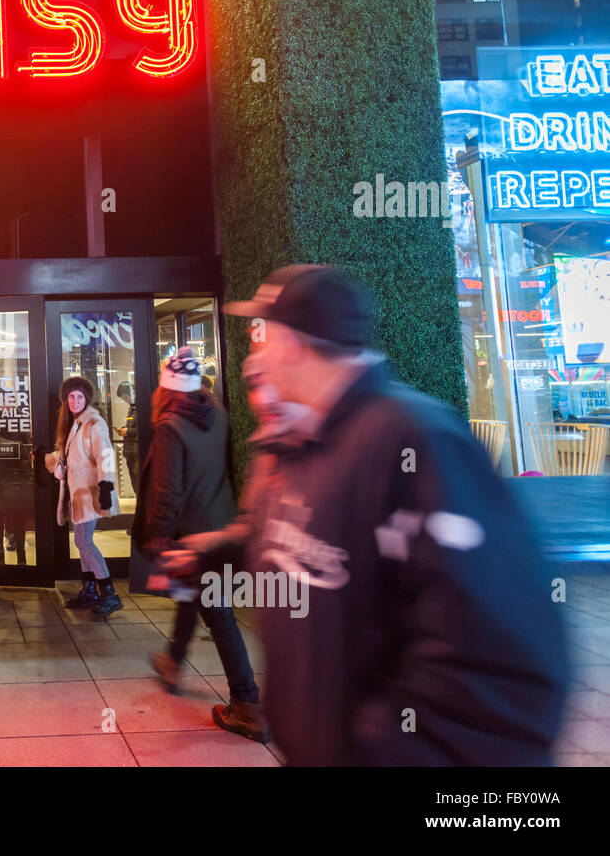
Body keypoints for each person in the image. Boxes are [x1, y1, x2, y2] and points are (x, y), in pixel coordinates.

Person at [163, 265, 570, 765]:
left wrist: (379, 747)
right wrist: (215, 552)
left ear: (292, 343)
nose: (256, 356)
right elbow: (292, 540)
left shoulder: (417, 441)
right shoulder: (288, 446)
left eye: (262, 338)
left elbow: (508, 657)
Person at [130, 347, 266, 742]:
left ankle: (247, 704)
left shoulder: (170, 427)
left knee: (218, 614)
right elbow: (221, 468)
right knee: (196, 599)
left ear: (167, 386)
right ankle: (173, 662)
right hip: (221, 525)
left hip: (193, 536)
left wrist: (159, 538)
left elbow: (167, 492)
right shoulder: (218, 414)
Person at [46, 376, 122, 617]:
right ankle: (89, 589)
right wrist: (47, 460)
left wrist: (107, 486)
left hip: (91, 493)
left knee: (83, 542)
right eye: (71, 397)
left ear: (86, 399)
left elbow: (105, 455)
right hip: (78, 493)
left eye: (79, 397)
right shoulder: (73, 423)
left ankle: (109, 592)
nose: (75, 401)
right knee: (81, 540)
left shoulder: (93, 423)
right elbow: (69, 457)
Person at [0, 433, 33, 565]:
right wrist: (18, 447)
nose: (6, 410)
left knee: (18, 516)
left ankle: (21, 554)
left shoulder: (20, 413)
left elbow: (26, 443)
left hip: (16, 473)